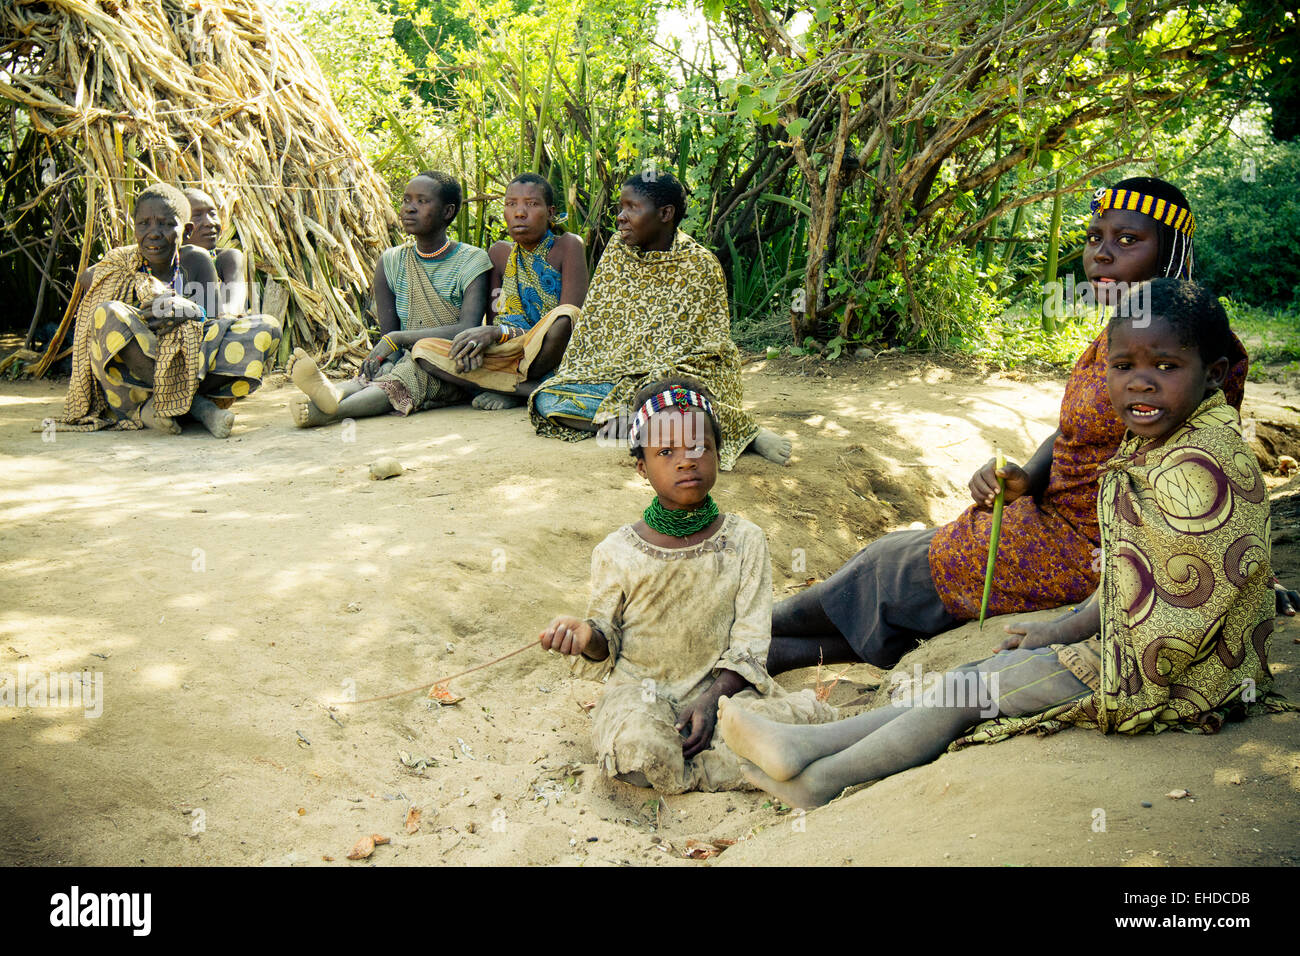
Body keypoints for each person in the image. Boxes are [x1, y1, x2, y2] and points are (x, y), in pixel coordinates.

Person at [719, 280, 1283, 808]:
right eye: (1122, 367)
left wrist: (1085, 656)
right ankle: (804, 746)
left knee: (966, 690)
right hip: (1165, 657)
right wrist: (1058, 632)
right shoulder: (1167, 443)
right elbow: (1133, 573)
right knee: (967, 680)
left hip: (1169, 676)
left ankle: (821, 778)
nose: (1140, 382)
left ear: (1214, 374)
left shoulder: (1194, 467)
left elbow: (1185, 611)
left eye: (1165, 367)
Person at [766, 176, 1275, 677]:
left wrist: (1237, 580)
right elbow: (1074, 432)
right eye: (1094, 238)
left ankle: (752, 632)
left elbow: (1201, 479)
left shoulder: (1200, 349)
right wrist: (1027, 477)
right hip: (1052, 516)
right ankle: (758, 643)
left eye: (1127, 241)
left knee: (891, 568)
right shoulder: (1126, 331)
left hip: (1094, 548)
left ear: (1172, 252)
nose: (1101, 254)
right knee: (895, 565)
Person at [538, 377, 833, 794]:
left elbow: (749, 645)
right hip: (641, 695)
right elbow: (605, 642)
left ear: (719, 453)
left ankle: (710, 761)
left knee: (779, 723)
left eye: (699, 447)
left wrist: (712, 701)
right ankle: (728, 765)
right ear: (641, 467)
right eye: (665, 452)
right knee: (639, 746)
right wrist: (586, 635)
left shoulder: (745, 540)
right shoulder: (616, 551)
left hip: (726, 690)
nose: (686, 461)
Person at [526, 170, 792, 471]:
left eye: (632, 208)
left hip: (679, 376)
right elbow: (596, 330)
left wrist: (652, 377)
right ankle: (654, 426)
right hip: (616, 375)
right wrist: (621, 372)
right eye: (620, 208)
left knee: (676, 395)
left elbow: (705, 348)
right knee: (548, 399)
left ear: (665, 213)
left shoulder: (699, 264)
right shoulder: (617, 250)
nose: (621, 217)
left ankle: (744, 432)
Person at [54, 183, 280, 438]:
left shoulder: (196, 260)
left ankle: (158, 408)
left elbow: (217, 323)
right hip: (139, 369)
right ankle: (197, 408)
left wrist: (191, 310)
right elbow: (86, 279)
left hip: (192, 361)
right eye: (144, 224)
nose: (153, 233)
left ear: (186, 231)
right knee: (107, 313)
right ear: (135, 229)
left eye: (165, 224)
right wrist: (140, 296)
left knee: (267, 327)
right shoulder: (126, 263)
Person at [288, 171, 491, 427]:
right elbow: (389, 332)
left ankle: (327, 413)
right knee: (380, 373)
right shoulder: (392, 261)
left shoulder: (472, 260)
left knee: (409, 372)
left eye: (422, 201)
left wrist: (396, 341)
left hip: (449, 361)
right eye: (406, 200)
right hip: (406, 354)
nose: (409, 209)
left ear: (448, 212)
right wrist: (387, 359)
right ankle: (334, 393)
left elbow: (467, 329)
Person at [412, 172, 587, 410]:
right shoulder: (499, 254)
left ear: (551, 212)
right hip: (508, 353)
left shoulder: (568, 246)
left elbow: (571, 323)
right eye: (511, 204)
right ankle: (525, 389)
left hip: (552, 353)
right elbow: (496, 321)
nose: (519, 212)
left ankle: (512, 387)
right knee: (424, 350)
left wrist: (496, 333)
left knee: (564, 315)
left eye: (532, 204)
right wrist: (483, 341)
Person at [182, 187, 247, 315]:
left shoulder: (228, 258)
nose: (209, 222)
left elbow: (234, 306)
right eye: (197, 216)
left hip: (218, 328)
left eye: (212, 213)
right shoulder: (163, 262)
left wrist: (194, 315)